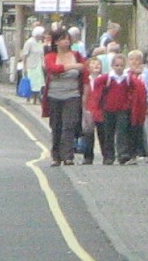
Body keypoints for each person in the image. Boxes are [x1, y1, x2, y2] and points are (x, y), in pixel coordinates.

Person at [43, 30, 88, 166]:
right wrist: (73, 66)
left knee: (69, 125)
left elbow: (85, 73)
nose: (66, 41)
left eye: (68, 39)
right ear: (56, 41)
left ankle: (68, 156)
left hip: (72, 95)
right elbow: (53, 68)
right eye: (63, 39)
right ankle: (56, 156)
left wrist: (85, 95)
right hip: (54, 95)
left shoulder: (77, 55)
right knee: (56, 126)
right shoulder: (50, 56)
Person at [98, 52, 145, 164]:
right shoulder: (107, 78)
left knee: (122, 132)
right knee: (108, 133)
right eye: (116, 65)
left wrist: (130, 102)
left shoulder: (127, 78)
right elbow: (98, 89)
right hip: (108, 108)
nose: (119, 68)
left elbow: (137, 88)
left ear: (125, 66)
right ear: (112, 66)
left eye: (121, 65)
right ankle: (108, 156)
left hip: (123, 109)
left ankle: (123, 154)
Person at [81, 56, 106, 165]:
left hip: (101, 110)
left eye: (98, 64)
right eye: (93, 63)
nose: (96, 65)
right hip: (89, 109)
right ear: (88, 68)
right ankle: (88, 157)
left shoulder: (105, 79)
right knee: (88, 134)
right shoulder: (86, 81)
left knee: (103, 134)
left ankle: (107, 156)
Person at [125, 48, 148, 161]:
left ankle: (141, 150)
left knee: (140, 128)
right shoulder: (125, 74)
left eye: (137, 59)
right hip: (128, 105)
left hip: (141, 105)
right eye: (131, 59)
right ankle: (129, 151)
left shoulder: (145, 74)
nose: (134, 62)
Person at [21, 25, 46, 104]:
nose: (43, 36)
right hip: (31, 66)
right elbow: (25, 55)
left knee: (38, 83)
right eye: (42, 34)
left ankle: (35, 100)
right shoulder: (29, 42)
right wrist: (24, 67)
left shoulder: (40, 43)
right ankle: (28, 98)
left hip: (38, 66)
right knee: (31, 83)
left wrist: (43, 63)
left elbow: (42, 55)